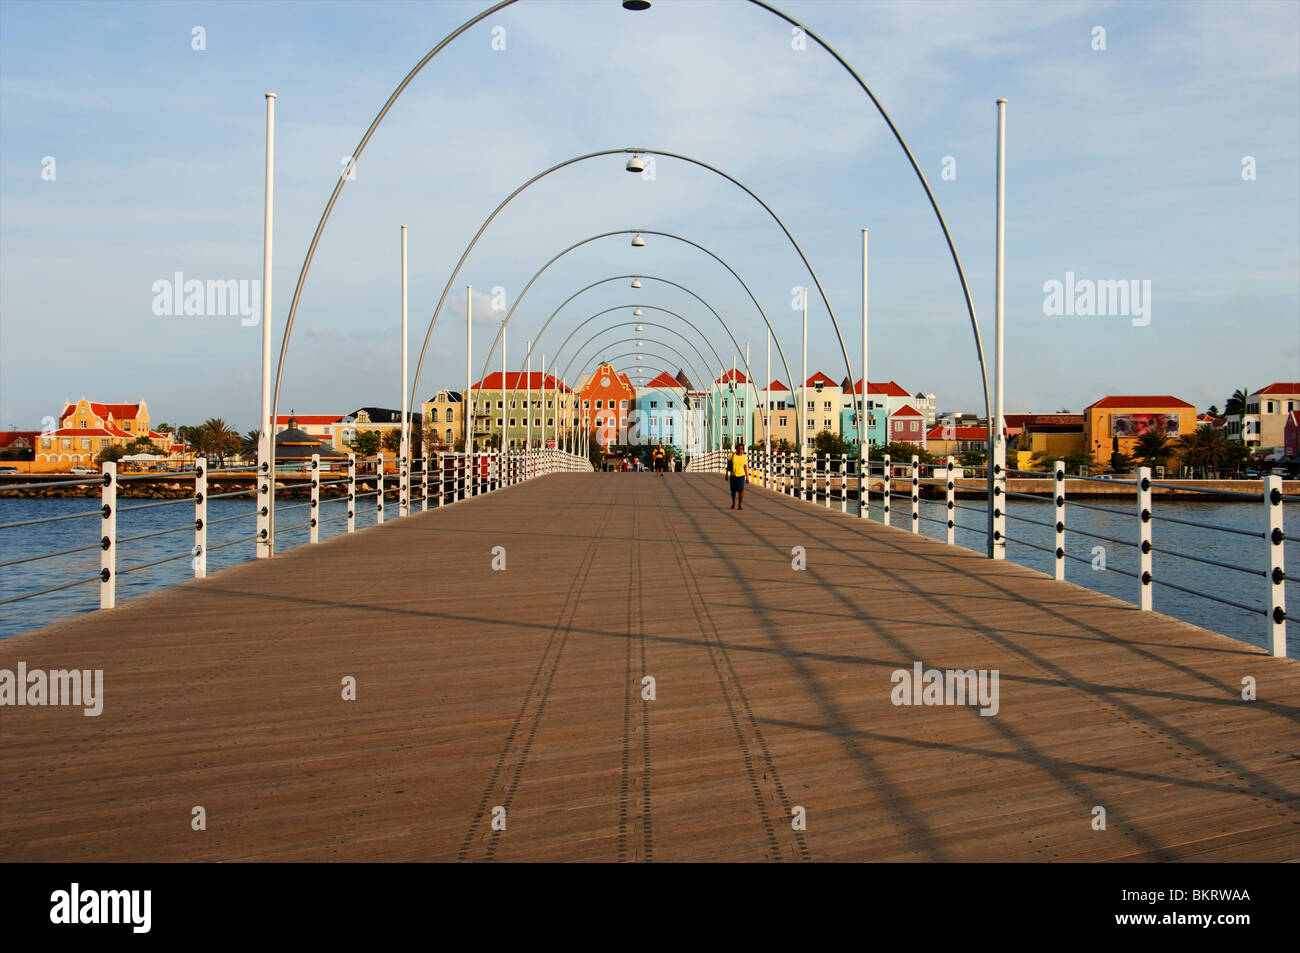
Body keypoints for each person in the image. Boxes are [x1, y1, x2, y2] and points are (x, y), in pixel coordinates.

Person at [726, 445, 748, 510]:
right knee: (733, 491)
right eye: (739, 448)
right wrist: (727, 474)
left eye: (742, 448)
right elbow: (728, 465)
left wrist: (747, 477)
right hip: (733, 475)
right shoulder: (732, 455)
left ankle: (740, 505)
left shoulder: (744, 457)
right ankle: (733, 503)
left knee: (741, 490)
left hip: (741, 475)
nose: (740, 449)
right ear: (736, 448)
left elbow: (745, 467)